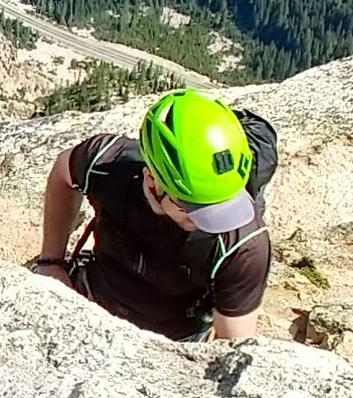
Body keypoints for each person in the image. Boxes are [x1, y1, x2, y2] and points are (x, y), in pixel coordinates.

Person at [34, 87, 273, 341]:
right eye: (191, 209)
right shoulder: (109, 165)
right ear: (151, 181)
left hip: (174, 341)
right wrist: (51, 262)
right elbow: (63, 171)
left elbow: (232, 344)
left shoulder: (243, 245)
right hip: (94, 296)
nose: (210, 222)